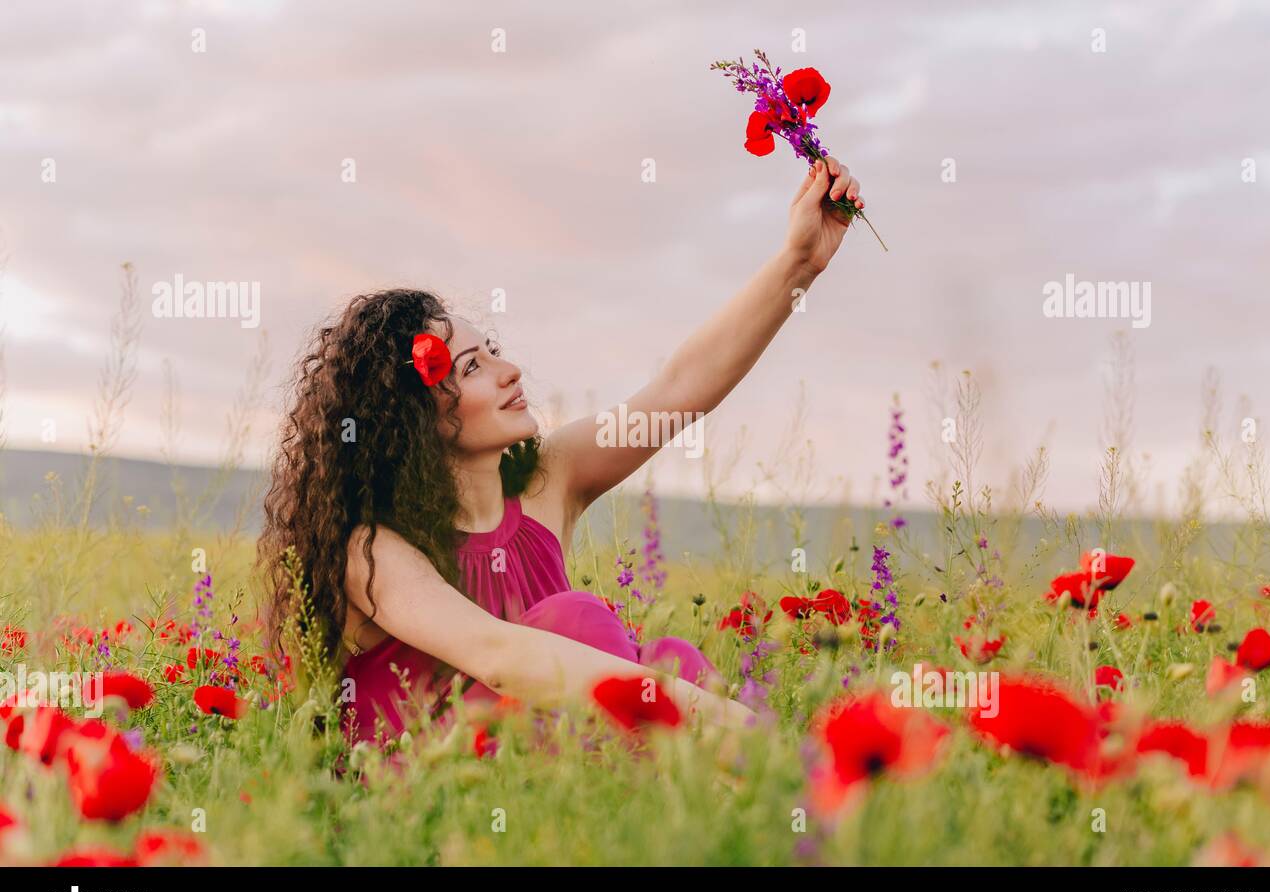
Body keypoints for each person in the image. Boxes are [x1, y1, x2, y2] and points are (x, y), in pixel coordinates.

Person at [257, 156, 865, 746]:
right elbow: (498, 656)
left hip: (547, 774)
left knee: (667, 660)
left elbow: (681, 389)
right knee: (580, 625)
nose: (510, 370)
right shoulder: (370, 548)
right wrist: (720, 717)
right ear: (414, 418)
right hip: (428, 796)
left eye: (490, 349)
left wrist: (799, 262)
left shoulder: (550, 480)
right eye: (473, 367)